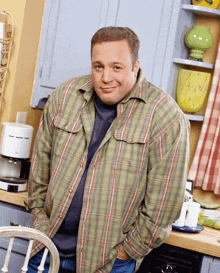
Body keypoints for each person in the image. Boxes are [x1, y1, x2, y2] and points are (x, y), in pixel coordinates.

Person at [24, 26, 190, 273]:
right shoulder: (64, 97)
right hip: (46, 250)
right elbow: (39, 171)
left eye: (117, 67)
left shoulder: (165, 117)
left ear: (135, 66)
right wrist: (40, 221)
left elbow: (164, 206)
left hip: (110, 263)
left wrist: (128, 251)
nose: (105, 77)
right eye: (98, 66)